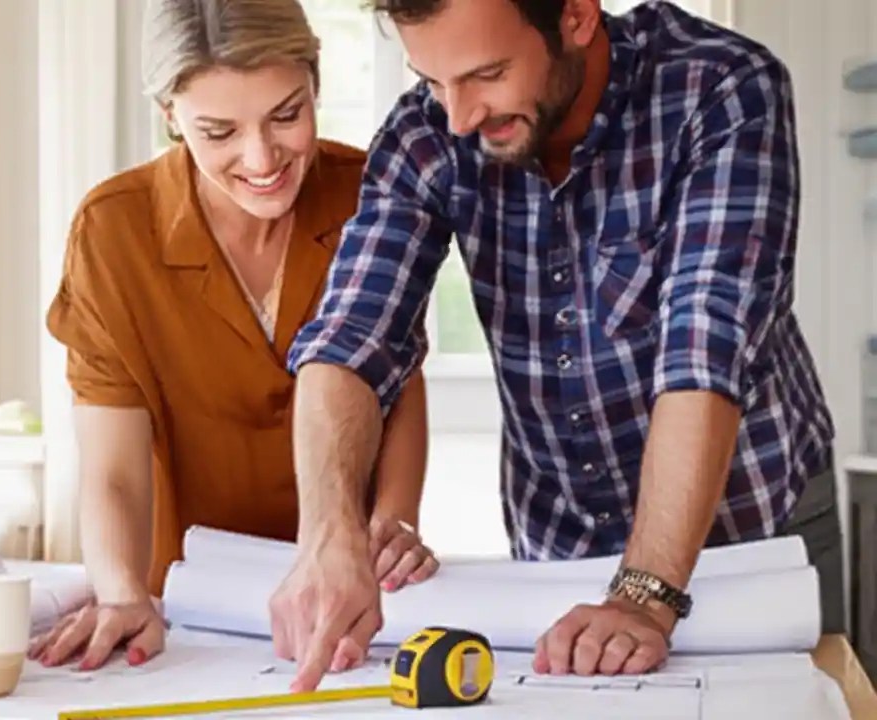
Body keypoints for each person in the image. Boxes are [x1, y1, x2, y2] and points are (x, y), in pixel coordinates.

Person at [271, 0, 841, 692]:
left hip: (752, 533)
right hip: (558, 545)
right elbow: (350, 336)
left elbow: (705, 348)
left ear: (576, 16)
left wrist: (642, 594)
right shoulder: (425, 131)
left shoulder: (720, 88)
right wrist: (328, 537)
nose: (459, 116)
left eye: (487, 74)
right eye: (433, 81)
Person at [31, 0, 440, 672]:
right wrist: (122, 593)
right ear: (170, 114)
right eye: (218, 131)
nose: (262, 158)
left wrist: (392, 525)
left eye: (286, 115)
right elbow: (113, 467)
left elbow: (398, 383)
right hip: (184, 604)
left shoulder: (368, 194)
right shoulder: (113, 231)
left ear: (315, 83)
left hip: (352, 594)